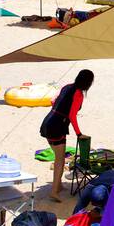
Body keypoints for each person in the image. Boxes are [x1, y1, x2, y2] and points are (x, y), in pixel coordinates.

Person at [40, 69, 93, 201]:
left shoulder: (67, 86)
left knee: (59, 157)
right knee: (60, 159)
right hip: (57, 126)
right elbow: (72, 115)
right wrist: (79, 134)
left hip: (48, 121)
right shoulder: (78, 94)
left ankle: (58, 185)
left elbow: (53, 101)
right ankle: (54, 191)